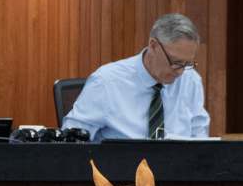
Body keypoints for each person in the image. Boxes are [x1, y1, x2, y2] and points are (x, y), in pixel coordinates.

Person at [62, 13, 210, 140]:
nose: (180, 71)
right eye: (175, 62)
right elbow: (72, 139)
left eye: (187, 63)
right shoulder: (106, 82)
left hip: (176, 170)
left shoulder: (191, 80)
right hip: (119, 170)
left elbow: (199, 137)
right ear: (153, 46)